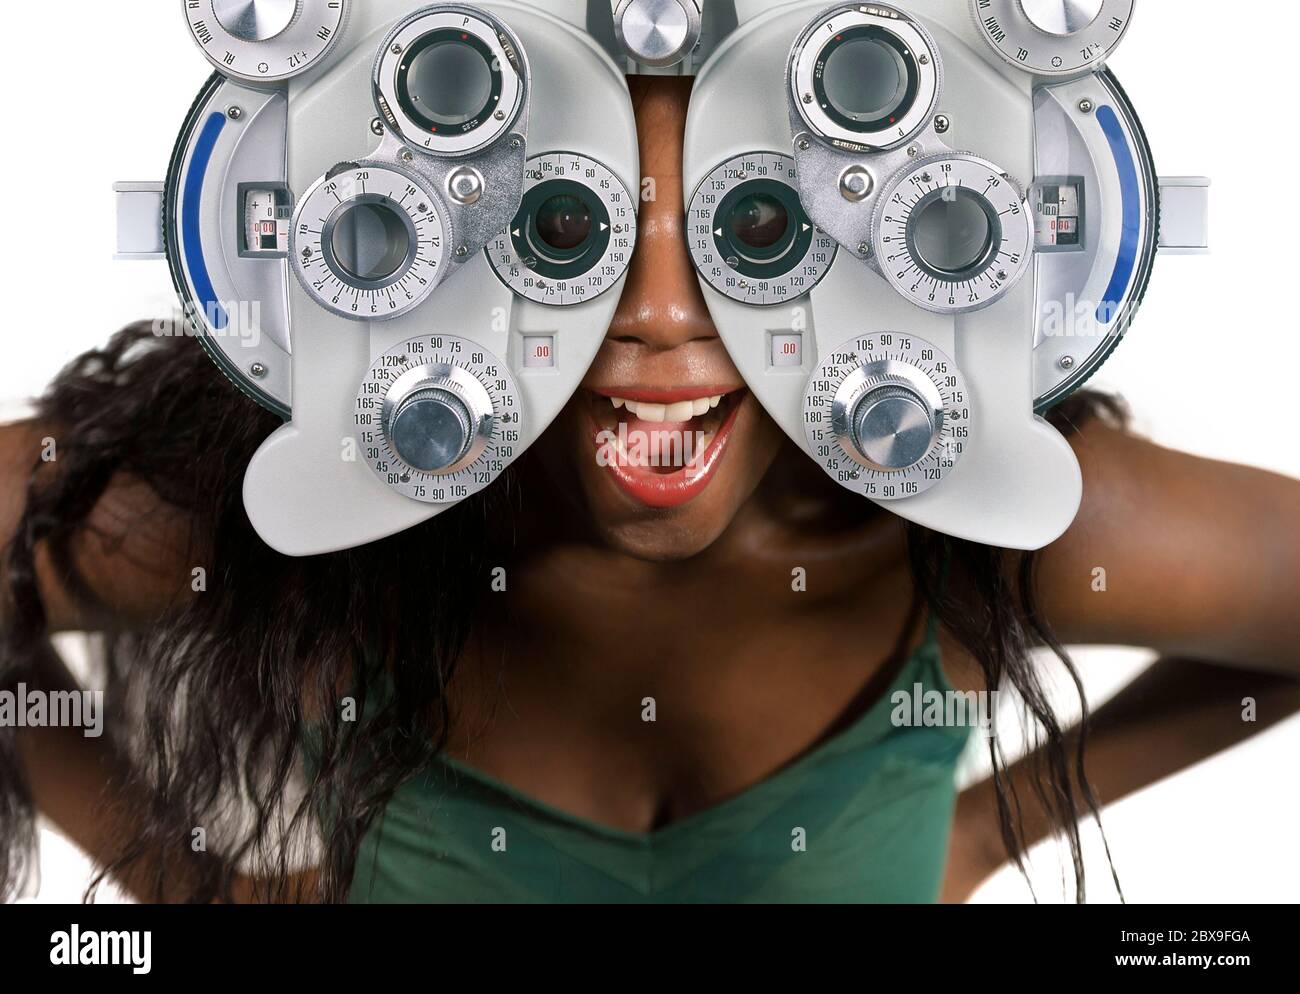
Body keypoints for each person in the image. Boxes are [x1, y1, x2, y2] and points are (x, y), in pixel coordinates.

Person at [2, 77, 1298, 904]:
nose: (661, 313)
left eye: (760, 228)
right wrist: (177, 879)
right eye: (566, 229)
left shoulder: (981, 527)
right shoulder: (331, 520)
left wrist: (999, 824)